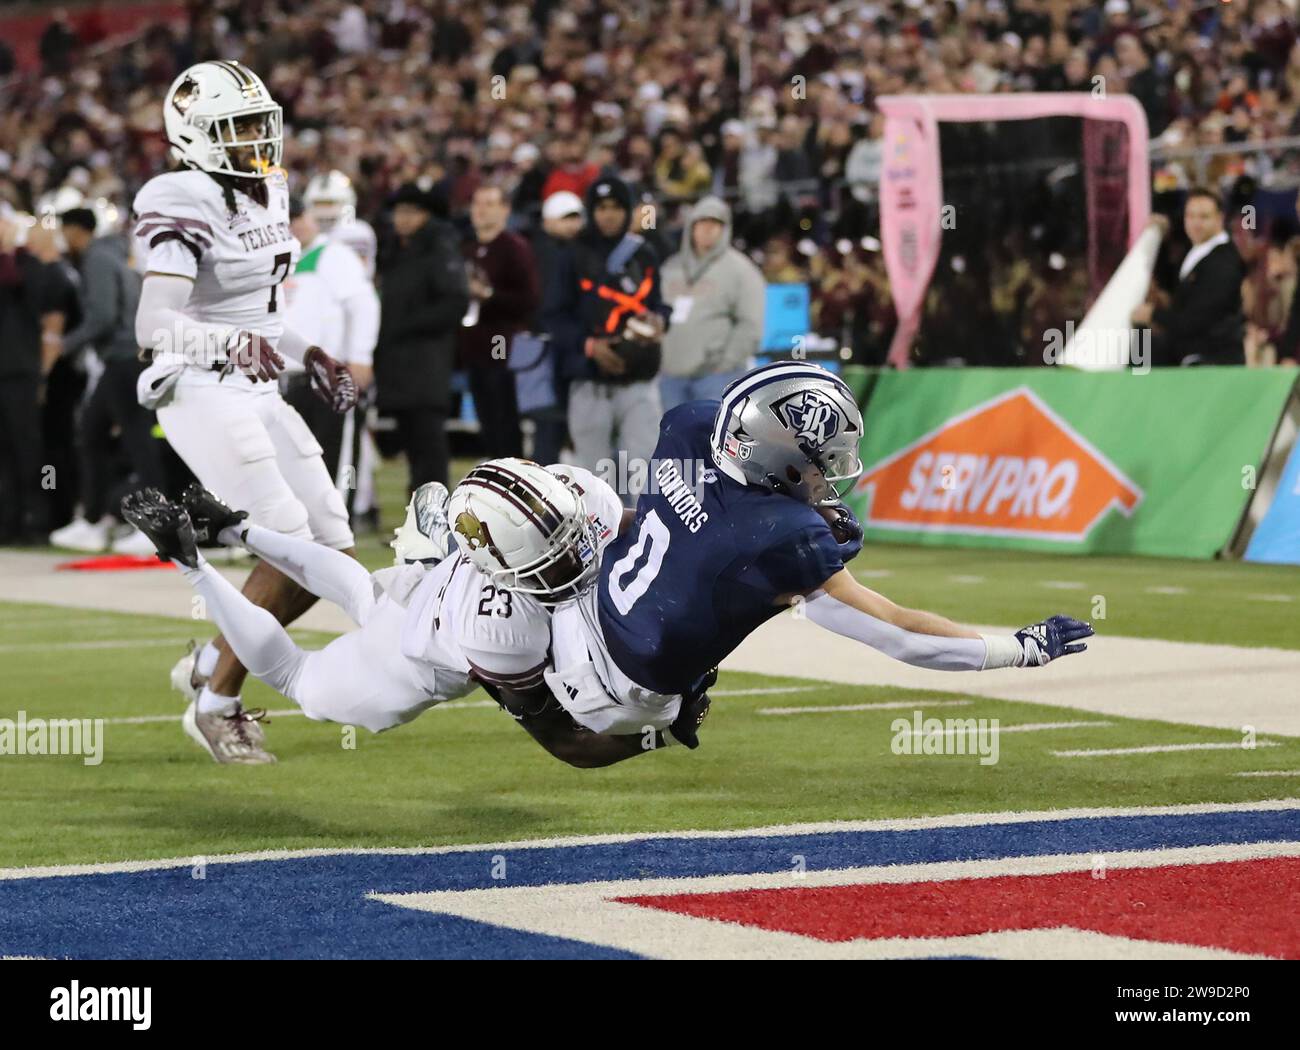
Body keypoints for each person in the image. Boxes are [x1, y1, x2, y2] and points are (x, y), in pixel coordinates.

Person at [534, 362, 1095, 737]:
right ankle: (670, 715)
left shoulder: (691, 426)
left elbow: (675, 521)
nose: (826, 476)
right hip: (625, 694)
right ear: (777, 455)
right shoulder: (784, 536)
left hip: (582, 614)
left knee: (572, 491)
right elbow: (899, 634)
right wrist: (1019, 648)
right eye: (819, 462)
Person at [120, 460, 693, 766]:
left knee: (358, 590)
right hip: (407, 661)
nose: (564, 561)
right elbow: (566, 743)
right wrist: (658, 735)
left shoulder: (583, 496)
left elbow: (653, 527)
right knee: (298, 676)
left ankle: (232, 528)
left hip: (418, 590)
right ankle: (193, 560)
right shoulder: (500, 634)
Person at [131, 61, 359, 744]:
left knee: (331, 550)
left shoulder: (269, 190)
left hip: (256, 383)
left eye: (262, 125)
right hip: (198, 387)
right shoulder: (177, 196)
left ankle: (212, 660)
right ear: (195, 135)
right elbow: (152, 326)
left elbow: (259, 317)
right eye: (239, 127)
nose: (258, 139)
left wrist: (310, 351)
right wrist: (227, 346)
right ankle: (214, 707)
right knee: (290, 543)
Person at [48, 206, 162, 554]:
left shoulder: (97, 259)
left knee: (137, 439)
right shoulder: (115, 255)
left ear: (75, 230)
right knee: (93, 433)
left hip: (124, 358)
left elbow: (103, 316)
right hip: (127, 357)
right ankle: (95, 520)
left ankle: (155, 524)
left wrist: (64, 345)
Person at [564, 175, 670, 504]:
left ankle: (642, 552)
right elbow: (552, 316)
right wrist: (589, 346)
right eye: (601, 207)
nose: (608, 215)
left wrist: (659, 320)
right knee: (594, 483)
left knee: (641, 474)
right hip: (588, 379)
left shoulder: (645, 252)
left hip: (639, 378)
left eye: (616, 207)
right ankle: (597, 553)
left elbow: (659, 304)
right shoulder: (571, 254)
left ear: (627, 211)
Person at [282, 195, 379, 519]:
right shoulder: (282, 259)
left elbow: (363, 305)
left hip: (327, 372)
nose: (295, 224)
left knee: (334, 457)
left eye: (299, 216)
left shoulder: (334, 255)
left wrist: (360, 356)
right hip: (286, 376)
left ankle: (338, 528)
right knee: (294, 460)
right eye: (287, 219)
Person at [374, 181, 467, 494]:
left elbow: (455, 303)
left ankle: (438, 514)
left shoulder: (439, 247)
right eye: (399, 211)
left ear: (426, 215)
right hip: (398, 365)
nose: (403, 218)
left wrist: (404, 325)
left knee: (428, 444)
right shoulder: (395, 251)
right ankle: (418, 513)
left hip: (426, 364)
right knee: (413, 444)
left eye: (411, 212)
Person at [0, 212, 72, 544]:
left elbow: (49, 326)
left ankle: (38, 520)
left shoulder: (32, 269)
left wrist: (41, 375)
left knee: (31, 450)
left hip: (23, 372)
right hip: (9, 371)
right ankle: (8, 521)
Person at [658, 196, 766, 411]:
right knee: (673, 441)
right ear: (691, 227)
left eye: (715, 224)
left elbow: (750, 324)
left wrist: (725, 364)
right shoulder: (670, 268)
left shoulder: (741, 270)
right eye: (702, 222)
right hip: (670, 377)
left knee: (714, 440)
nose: (708, 229)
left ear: (725, 229)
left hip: (716, 377)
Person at [459, 183, 539, 459]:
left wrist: (489, 295)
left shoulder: (514, 248)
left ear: (505, 210)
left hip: (503, 347)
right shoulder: (467, 248)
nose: (481, 210)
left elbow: (529, 300)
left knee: (504, 421)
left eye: (489, 203)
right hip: (475, 348)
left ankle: (512, 482)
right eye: (477, 203)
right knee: (488, 422)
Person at [1134, 193, 1245, 365]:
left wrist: (1154, 314)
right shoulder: (1195, 252)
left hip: (1214, 362)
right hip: (1191, 356)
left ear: (1219, 218)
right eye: (1190, 216)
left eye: (1204, 217)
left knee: (1142, 353)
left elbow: (1199, 319)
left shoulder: (1224, 262)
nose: (1196, 223)